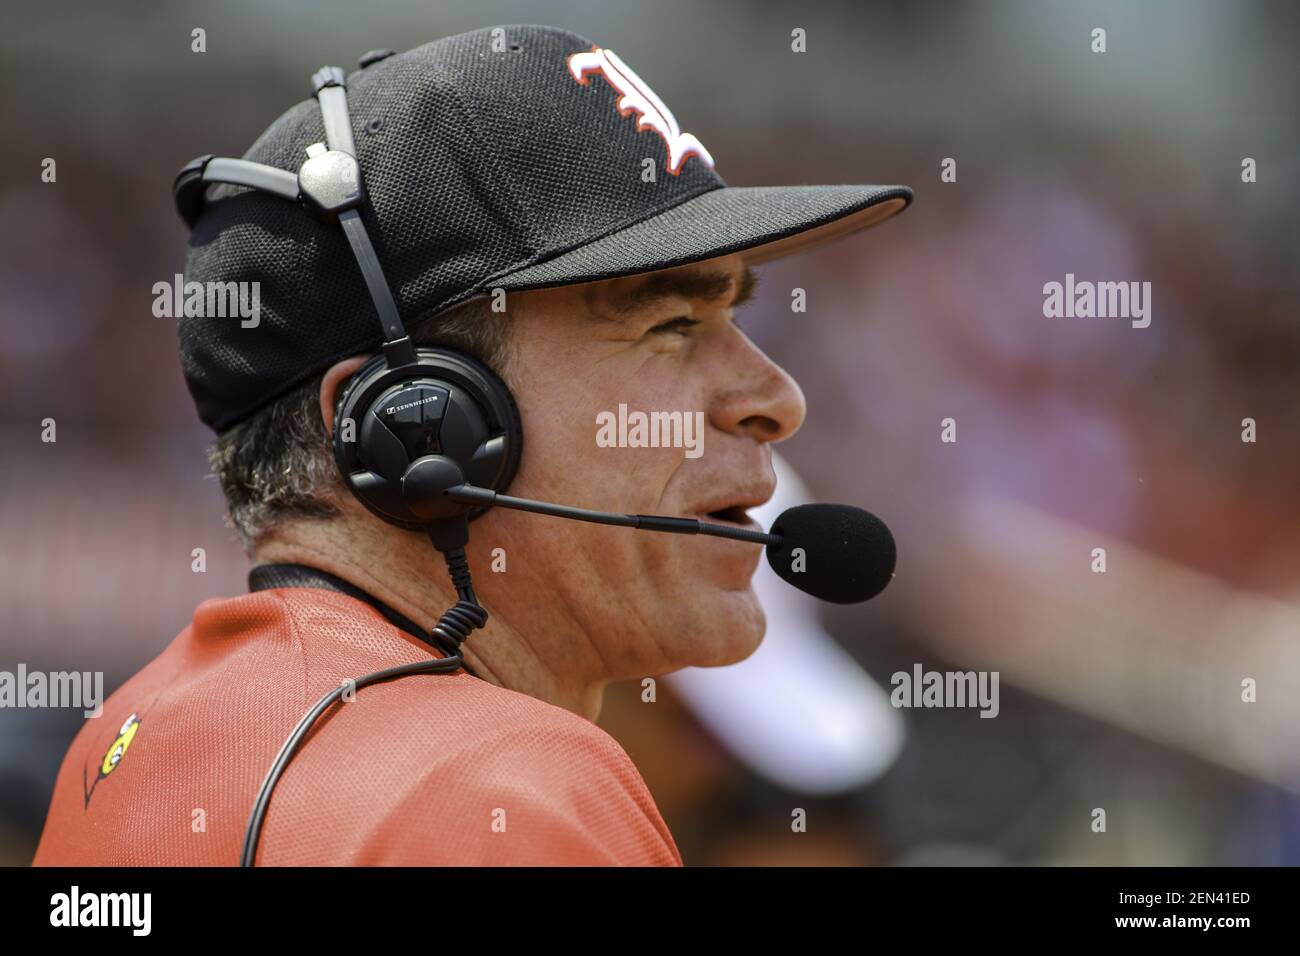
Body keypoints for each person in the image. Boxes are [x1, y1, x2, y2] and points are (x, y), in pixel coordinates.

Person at [33, 24, 910, 866]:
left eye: (734, 316)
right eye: (672, 324)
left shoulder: (123, 738)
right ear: (418, 423)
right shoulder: (504, 790)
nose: (775, 399)